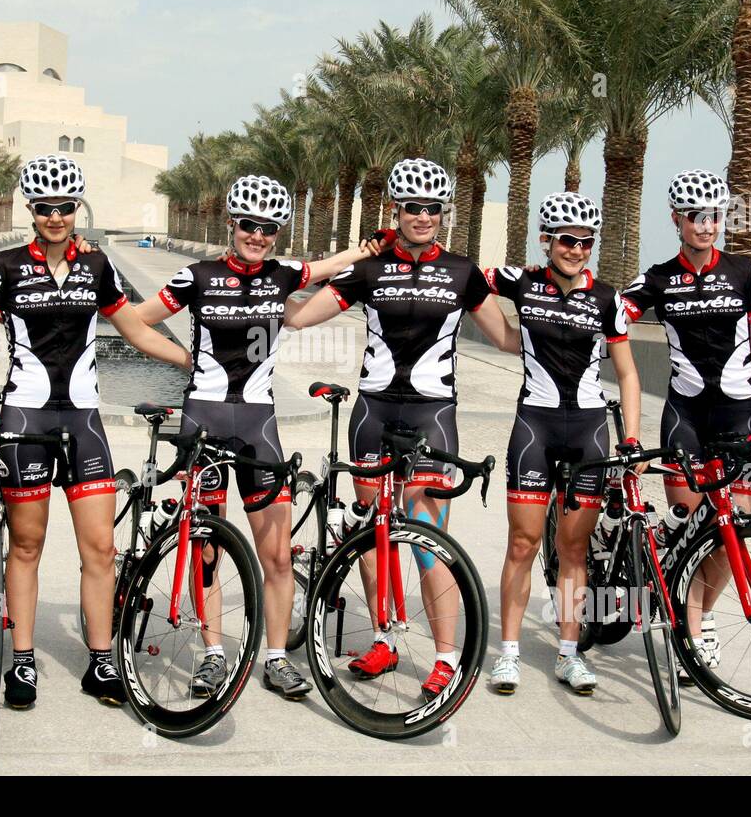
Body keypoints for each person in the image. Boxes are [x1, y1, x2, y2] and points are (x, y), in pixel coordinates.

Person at [133, 174, 388, 700]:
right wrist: (188, 359)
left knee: (274, 554)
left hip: (257, 423)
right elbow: (136, 321)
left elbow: (328, 267)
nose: (257, 236)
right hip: (203, 418)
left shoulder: (283, 274)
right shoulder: (196, 275)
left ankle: (275, 656)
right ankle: (211, 653)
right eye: (249, 225)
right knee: (206, 546)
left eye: (269, 228)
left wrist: (367, 249)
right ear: (232, 223)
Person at [0, 155, 190, 708]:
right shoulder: (4, 266)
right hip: (27, 418)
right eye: (44, 208)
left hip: (83, 419)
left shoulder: (97, 264)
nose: (55, 216)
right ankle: (25, 661)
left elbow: (132, 329)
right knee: (28, 544)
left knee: (100, 549)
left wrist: (190, 362)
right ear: (30, 211)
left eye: (64, 207)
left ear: (76, 208)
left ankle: (102, 662)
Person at [287, 157, 517, 699]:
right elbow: (298, 316)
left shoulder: (463, 272)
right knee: (373, 537)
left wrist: (573, 314)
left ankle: (444, 658)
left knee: (428, 541)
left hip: (431, 414)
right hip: (373, 412)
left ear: (444, 215)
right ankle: (386, 639)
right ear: (396, 210)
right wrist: (253, 285)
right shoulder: (371, 269)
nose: (423, 216)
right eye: (413, 207)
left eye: (433, 209)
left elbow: (508, 340)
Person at [620, 169, 751, 678]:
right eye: (695, 216)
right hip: (685, 415)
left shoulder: (746, 272)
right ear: (677, 219)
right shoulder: (659, 278)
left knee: (733, 527)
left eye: (714, 216)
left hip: (740, 416)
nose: (706, 226)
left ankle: (700, 622)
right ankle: (663, 585)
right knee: (689, 520)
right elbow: (608, 314)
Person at [483, 192, 642, 696]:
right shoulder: (523, 282)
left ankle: (569, 653)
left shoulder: (608, 298)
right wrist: (503, 332)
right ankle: (508, 654)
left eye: (586, 242)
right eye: (567, 240)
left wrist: (633, 438)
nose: (577, 249)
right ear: (548, 240)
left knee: (573, 548)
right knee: (522, 544)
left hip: (590, 431)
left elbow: (629, 373)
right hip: (535, 427)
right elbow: (464, 277)